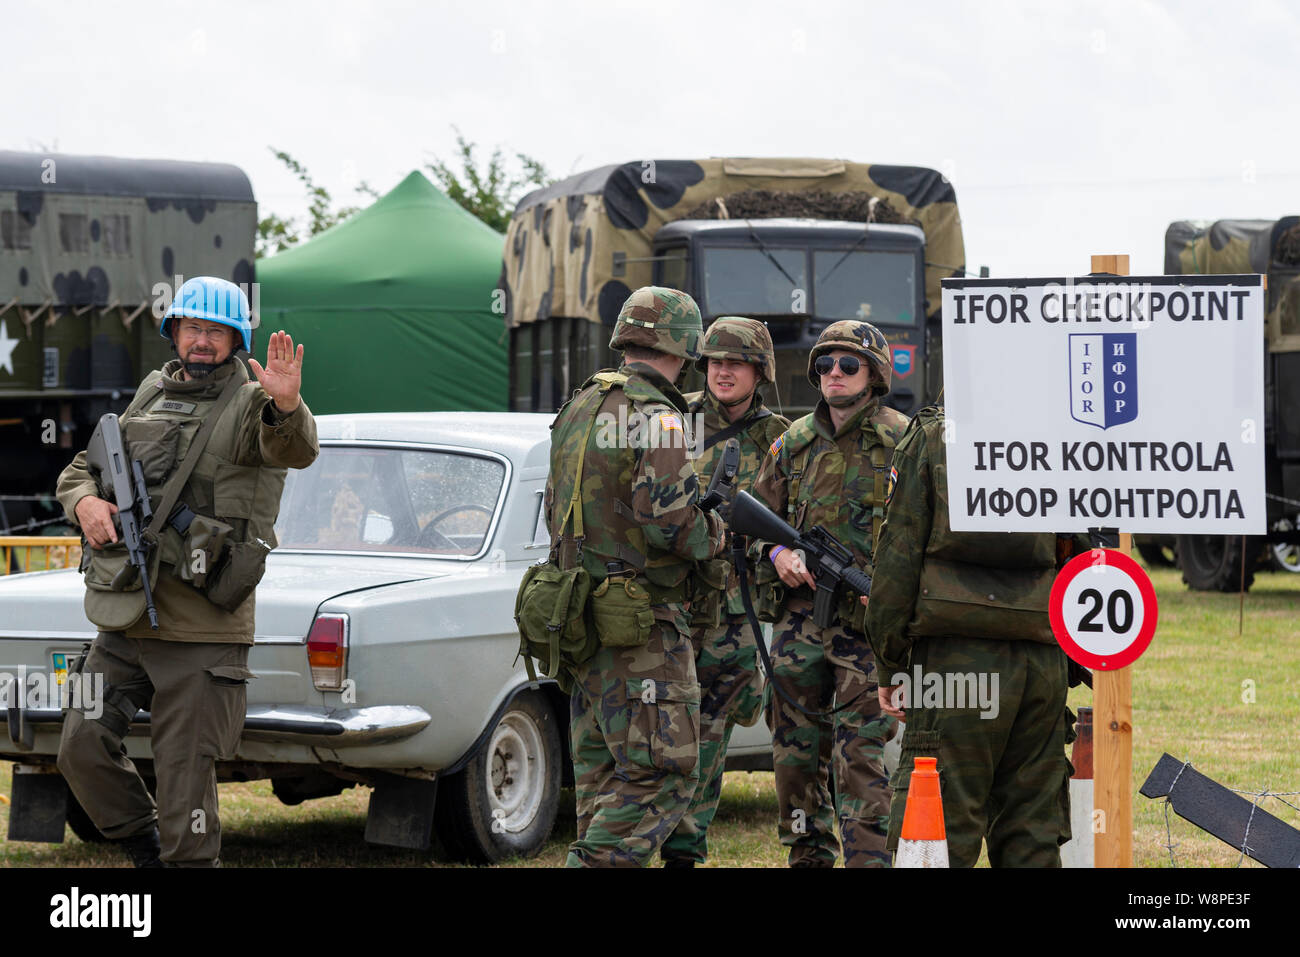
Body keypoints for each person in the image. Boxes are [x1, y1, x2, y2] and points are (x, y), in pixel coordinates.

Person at [56, 276, 319, 867]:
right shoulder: (152, 391)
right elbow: (86, 464)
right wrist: (85, 502)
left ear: (236, 338)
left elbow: (295, 450)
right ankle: (143, 846)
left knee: (185, 783)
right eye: (191, 328)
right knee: (80, 742)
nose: (201, 341)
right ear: (173, 332)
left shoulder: (256, 402)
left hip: (202, 628)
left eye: (215, 331)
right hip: (127, 615)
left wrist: (286, 404)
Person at [544, 285, 729, 868]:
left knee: (604, 778)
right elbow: (669, 523)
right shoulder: (661, 417)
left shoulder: (581, 405)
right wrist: (719, 532)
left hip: (579, 617)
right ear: (685, 345)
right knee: (663, 774)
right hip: (641, 628)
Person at [864, 406, 1078, 867]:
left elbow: (898, 554)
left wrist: (890, 661)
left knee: (938, 829)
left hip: (954, 659)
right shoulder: (1062, 429)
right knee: (1032, 829)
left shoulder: (933, 435)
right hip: (1042, 657)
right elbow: (1084, 545)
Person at [749, 320, 908, 867]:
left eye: (848, 365)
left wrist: (891, 594)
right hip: (797, 628)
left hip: (867, 631)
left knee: (860, 754)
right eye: (824, 364)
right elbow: (748, 528)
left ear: (875, 374)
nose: (833, 374)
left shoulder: (902, 443)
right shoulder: (792, 444)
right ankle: (807, 857)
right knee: (794, 755)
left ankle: (868, 862)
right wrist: (777, 555)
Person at [660, 317, 790, 868]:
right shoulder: (670, 419)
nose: (723, 371)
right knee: (662, 735)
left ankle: (685, 852)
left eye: (736, 362)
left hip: (736, 615)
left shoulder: (780, 437)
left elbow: (790, 523)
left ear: (760, 372)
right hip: (670, 608)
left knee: (710, 739)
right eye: (714, 360)